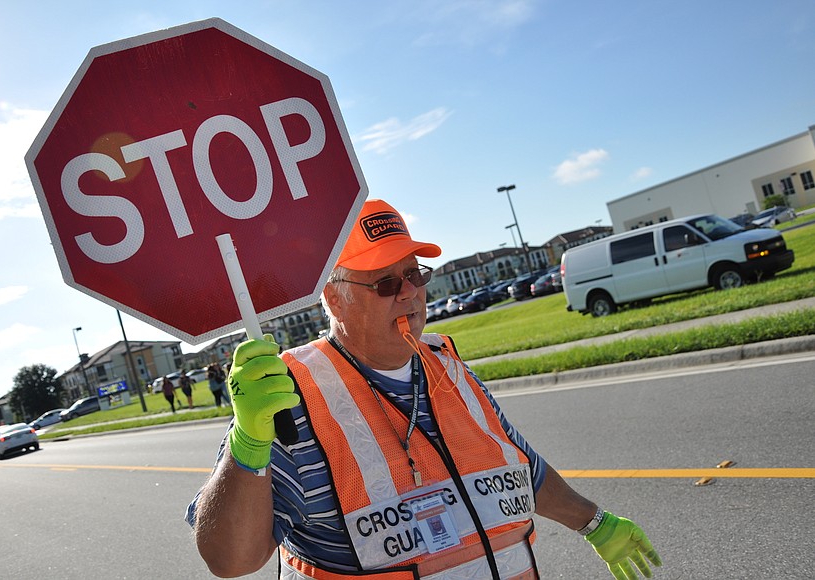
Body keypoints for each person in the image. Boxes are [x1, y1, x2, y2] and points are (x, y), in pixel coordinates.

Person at [187, 199, 662, 579]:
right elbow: (231, 561)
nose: (409, 292)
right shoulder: (292, 395)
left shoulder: (445, 365)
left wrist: (595, 524)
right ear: (334, 296)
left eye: (414, 275)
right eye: (386, 282)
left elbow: (519, 470)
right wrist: (248, 444)